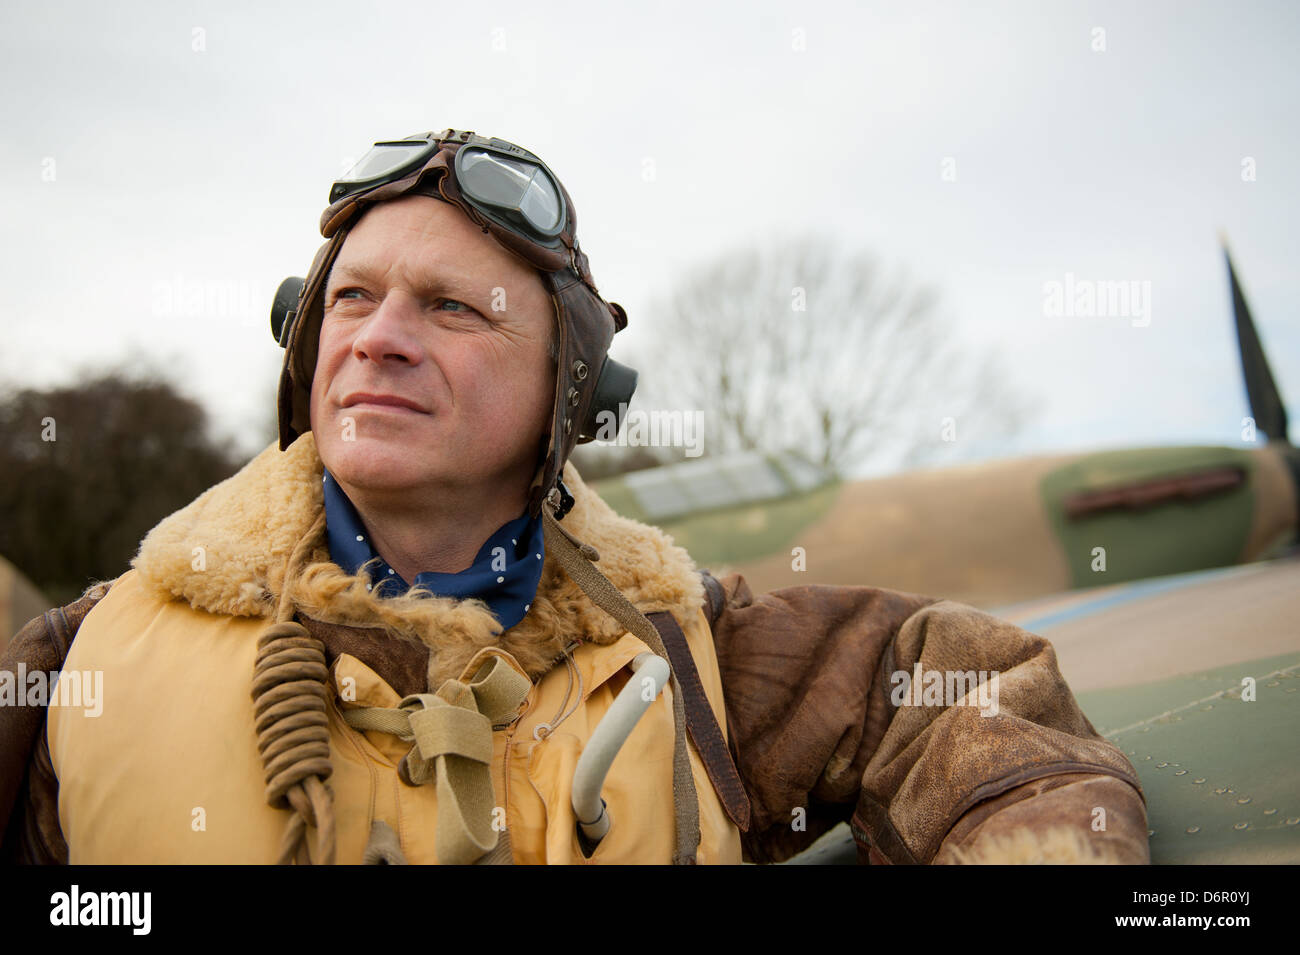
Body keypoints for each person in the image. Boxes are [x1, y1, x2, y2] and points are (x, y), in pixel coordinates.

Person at [0, 129, 1149, 865]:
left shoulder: (688, 647)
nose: (382, 340)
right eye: (351, 301)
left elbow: (957, 695)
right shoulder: (86, 659)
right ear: (307, 350)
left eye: (454, 308)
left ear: (567, 389)